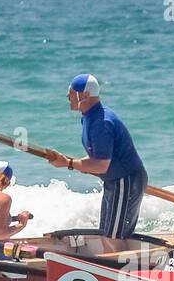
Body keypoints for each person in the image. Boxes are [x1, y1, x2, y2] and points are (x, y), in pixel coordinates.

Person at [45, 74, 147, 239]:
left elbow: (101, 165)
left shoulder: (102, 121)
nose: (67, 96)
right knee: (107, 233)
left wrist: (69, 163)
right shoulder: (89, 117)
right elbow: (97, 157)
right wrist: (72, 163)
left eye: (71, 92)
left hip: (125, 180)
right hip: (114, 181)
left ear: (84, 95)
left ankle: (115, 262)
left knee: (114, 237)